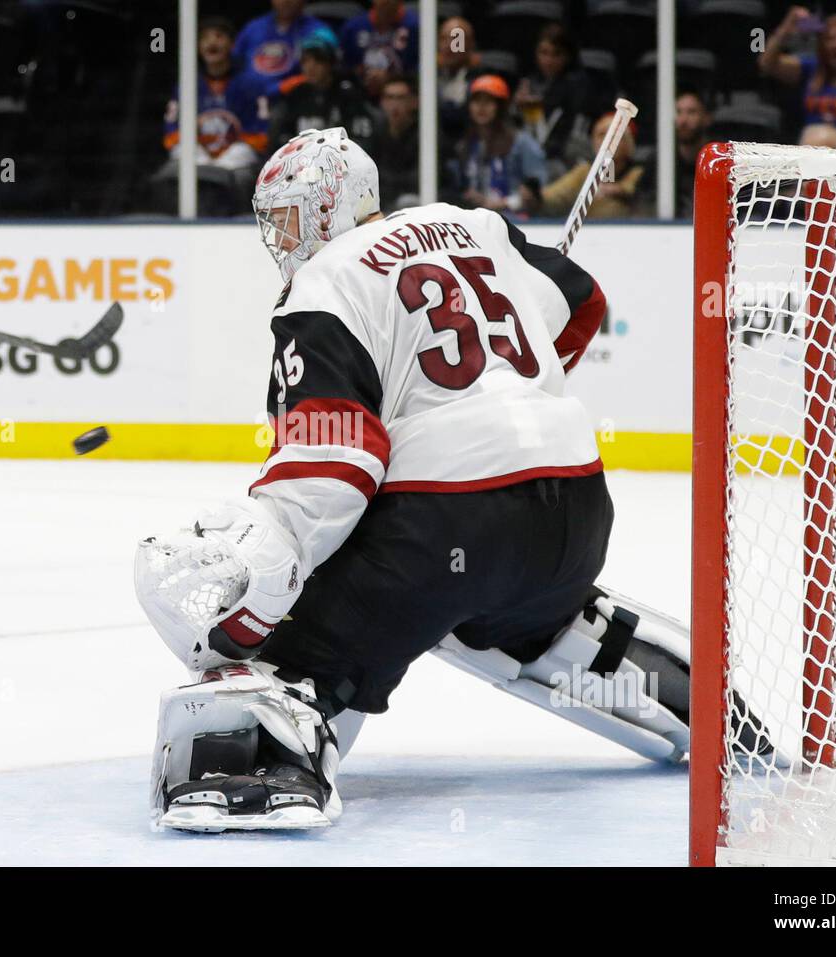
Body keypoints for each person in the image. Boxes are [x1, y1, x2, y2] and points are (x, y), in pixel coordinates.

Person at [133, 126, 731, 830]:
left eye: (291, 218)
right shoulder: (473, 224)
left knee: (306, 641)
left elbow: (333, 467)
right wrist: (508, 386)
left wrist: (268, 573)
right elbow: (581, 300)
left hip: (448, 529)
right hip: (574, 517)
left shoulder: (323, 282)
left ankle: (260, 761)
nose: (282, 238)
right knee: (513, 603)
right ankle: (675, 685)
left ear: (335, 206)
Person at [160, 16, 269, 209]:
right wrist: (201, 158)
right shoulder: (186, 84)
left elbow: (260, 136)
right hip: (197, 155)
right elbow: (171, 135)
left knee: (244, 177)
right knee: (170, 173)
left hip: (236, 161)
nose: (211, 42)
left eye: (218, 36)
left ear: (232, 44)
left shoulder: (251, 84)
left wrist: (222, 162)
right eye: (205, 38)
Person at [758, 8, 836, 149]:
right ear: (822, 44)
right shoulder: (811, 69)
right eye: (830, 39)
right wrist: (786, 29)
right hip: (808, 149)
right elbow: (767, 63)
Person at [450, 74, 548, 217]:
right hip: (476, 218)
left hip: (516, 219)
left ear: (501, 107)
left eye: (489, 102)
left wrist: (506, 202)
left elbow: (540, 190)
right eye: (476, 101)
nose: (481, 108)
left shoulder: (521, 142)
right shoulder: (465, 145)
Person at [267, 30, 378, 154]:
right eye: (306, 61)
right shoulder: (296, 95)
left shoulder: (348, 94)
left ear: (331, 63)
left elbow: (362, 142)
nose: (311, 67)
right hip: (302, 164)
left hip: (342, 165)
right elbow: (281, 139)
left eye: (318, 60)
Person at [512, 22, 594, 172]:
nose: (548, 61)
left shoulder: (578, 85)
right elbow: (524, 130)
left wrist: (542, 105)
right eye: (543, 52)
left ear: (568, 56)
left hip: (564, 156)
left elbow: (572, 132)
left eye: (556, 54)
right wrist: (517, 108)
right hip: (532, 152)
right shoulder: (530, 83)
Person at [541, 112, 650, 219]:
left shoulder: (640, 173)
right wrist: (535, 196)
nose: (607, 141)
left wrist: (617, 191)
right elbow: (556, 195)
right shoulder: (585, 172)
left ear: (629, 144)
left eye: (615, 136)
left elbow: (636, 192)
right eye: (601, 135)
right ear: (593, 141)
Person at [232, 0, 332, 98]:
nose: (285, 1)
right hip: (246, 101)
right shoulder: (253, 28)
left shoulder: (318, 31)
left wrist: (286, 86)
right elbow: (233, 64)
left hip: (293, 101)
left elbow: (323, 74)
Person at [340, 0, 420, 100]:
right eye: (384, 2)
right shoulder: (353, 27)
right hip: (361, 92)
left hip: (404, 93)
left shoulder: (417, 27)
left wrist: (390, 77)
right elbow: (346, 66)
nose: (388, 3)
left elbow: (421, 70)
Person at [370, 73, 420, 208]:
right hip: (383, 200)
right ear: (382, 102)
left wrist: (387, 179)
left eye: (400, 98)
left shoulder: (425, 135)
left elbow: (419, 178)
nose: (394, 104)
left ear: (414, 102)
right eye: (389, 98)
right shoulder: (376, 133)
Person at [673, 90, 711, 218]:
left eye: (691, 112)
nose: (683, 120)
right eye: (678, 112)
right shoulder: (659, 161)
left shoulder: (719, 161)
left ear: (706, 118)